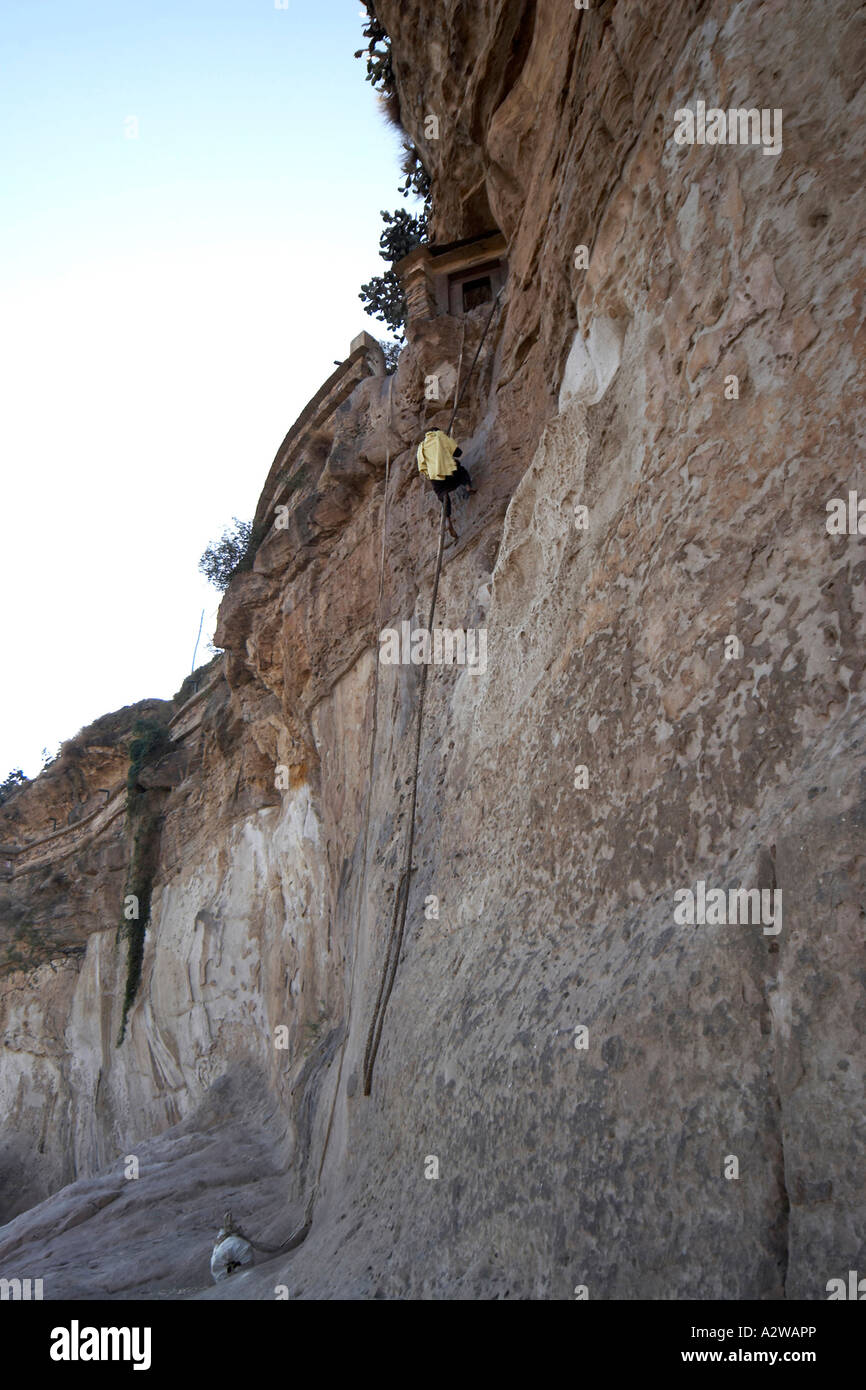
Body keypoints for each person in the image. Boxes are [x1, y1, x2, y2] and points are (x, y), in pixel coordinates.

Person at [416, 428, 476, 540]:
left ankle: (448, 521)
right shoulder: (440, 436)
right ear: (437, 431)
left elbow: (422, 467)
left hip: (435, 477)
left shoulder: (421, 447)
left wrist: (432, 474)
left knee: (443, 495)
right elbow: (458, 452)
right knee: (461, 472)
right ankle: (467, 487)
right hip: (449, 469)